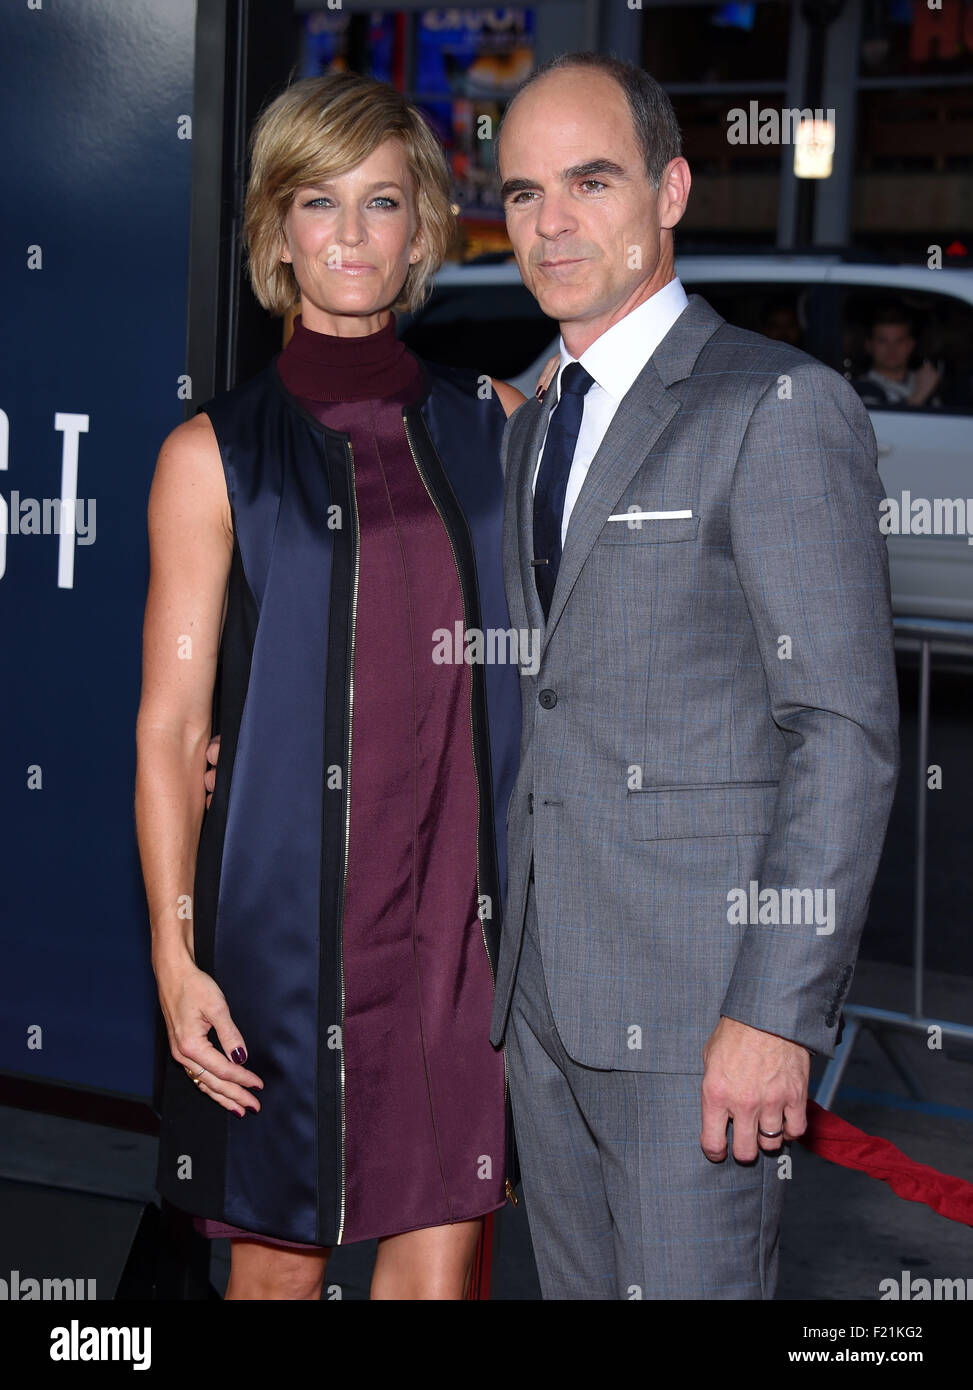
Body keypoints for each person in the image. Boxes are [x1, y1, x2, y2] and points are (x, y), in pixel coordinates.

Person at [488, 52, 900, 1300]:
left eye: (590, 180)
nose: (551, 222)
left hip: (697, 1017)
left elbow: (843, 734)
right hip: (540, 1002)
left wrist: (776, 1014)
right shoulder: (533, 418)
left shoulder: (774, 404)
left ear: (669, 190)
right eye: (518, 192)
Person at [135, 71, 526, 1301]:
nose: (350, 236)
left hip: (462, 927)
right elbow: (170, 725)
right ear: (278, 229)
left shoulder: (496, 425)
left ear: (422, 231)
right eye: (319, 202)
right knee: (275, 1275)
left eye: (382, 202)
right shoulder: (212, 456)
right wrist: (173, 946)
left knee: (440, 1265)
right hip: (280, 931)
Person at [851, 304, 943, 408]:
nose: (892, 349)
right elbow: (880, 423)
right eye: (883, 341)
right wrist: (919, 395)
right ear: (869, 345)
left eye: (899, 341)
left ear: (911, 345)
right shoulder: (859, 390)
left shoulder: (923, 381)